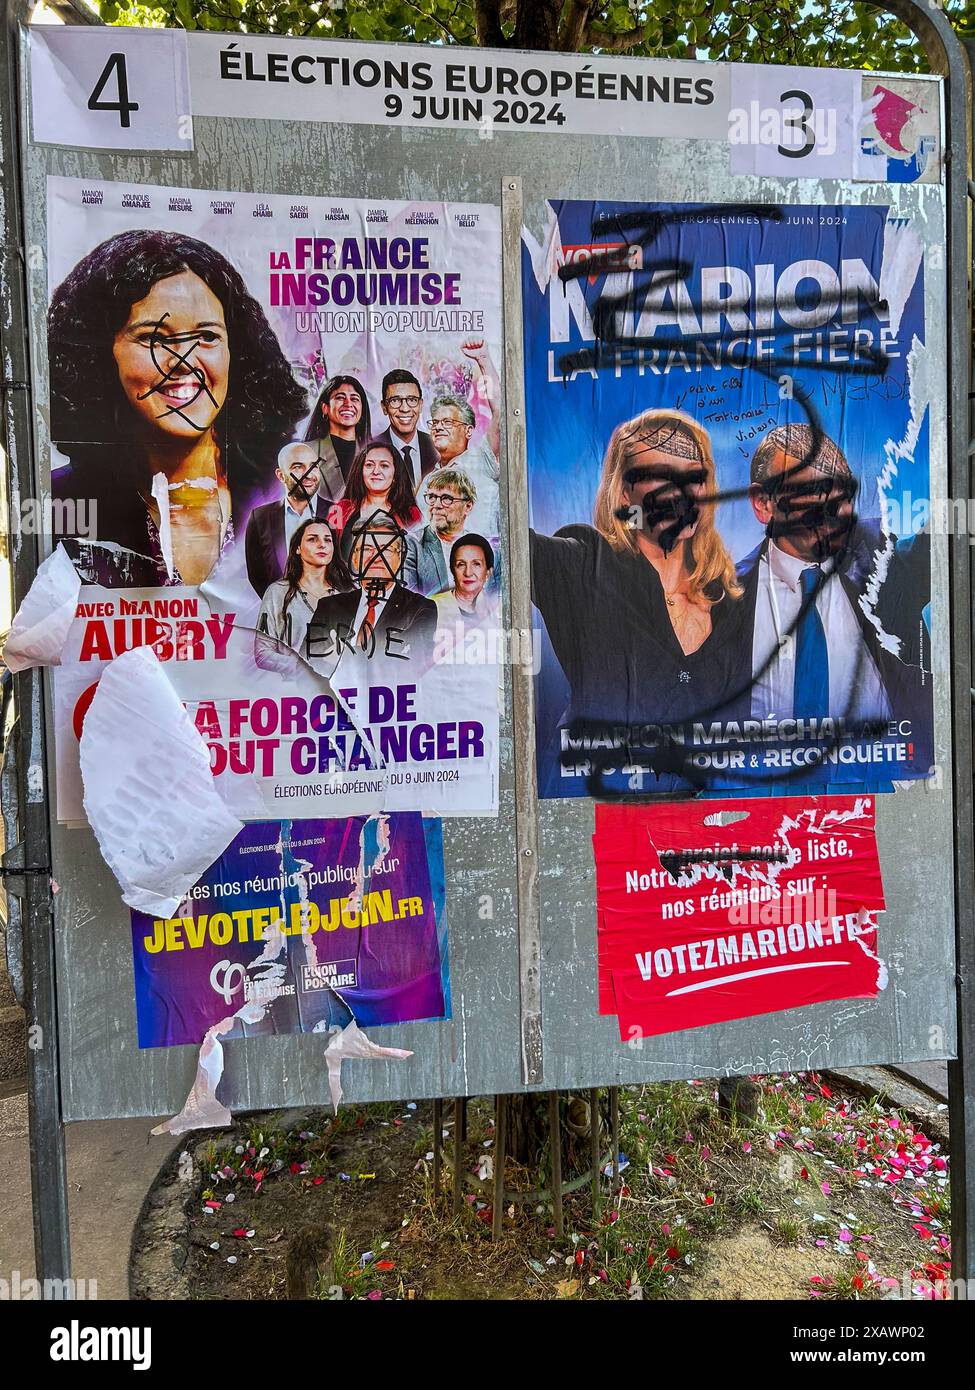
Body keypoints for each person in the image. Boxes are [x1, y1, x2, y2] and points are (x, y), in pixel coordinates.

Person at [48, 229, 307, 586]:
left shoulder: (283, 487)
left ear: (237, 351)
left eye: (207, 336)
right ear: (100, 355)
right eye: (153, 338)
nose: (183, 362)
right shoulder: (62, 503)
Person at [529, 409, 749, 760]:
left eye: (693, 478)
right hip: (597, 802)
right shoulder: (584, 567)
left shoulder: (730, 599)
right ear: (623, 494)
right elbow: (500, 545)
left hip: (708, 804)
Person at [738, 423, 930, 747]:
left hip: (886, 780)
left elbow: (944, 545)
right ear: (763, 504)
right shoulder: (720, 599)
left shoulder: (877, 553)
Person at [306, 512, 437, 675]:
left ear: (401, 558)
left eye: (386, 549)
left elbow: (411, 667)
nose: (377, 557)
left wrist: (341, 657)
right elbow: (308, 664)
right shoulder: (329, 607)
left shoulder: (421, 609)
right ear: (354, 558)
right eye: (367, 549)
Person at [428, 338, 502, 535]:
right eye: (435, 423)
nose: (439, 428)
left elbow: (502, 415)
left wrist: (484, 361)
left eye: (448, 422)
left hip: (481, 560)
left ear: (469, 431)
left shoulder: (481, 459)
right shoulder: (427, 483)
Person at [255, 517, 353, 660]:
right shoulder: (278, 592)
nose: (322, 545)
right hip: (292, 681)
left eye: (328, 540)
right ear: (298, 548)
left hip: (339, 681)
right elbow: (262, 653)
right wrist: (303, 669)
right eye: (313, 539)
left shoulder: (348, 593)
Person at [244, 442, 331, 596]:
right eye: (298, 467)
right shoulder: (259, 518)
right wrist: (280, 605)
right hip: (281, 615)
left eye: (314, 466)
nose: (309, 474)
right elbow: (256, 575)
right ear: (280, 475)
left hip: (330, 614)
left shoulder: (338, 512)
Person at [327, 440, 421, 553]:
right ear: (360, 471)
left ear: (396, 474)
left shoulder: (411, 514)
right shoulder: (341, 509)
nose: (376, 471)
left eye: (384, 466)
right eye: (369, 465)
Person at [403, 468, 477, 596]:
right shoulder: (412, 544)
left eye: (446, 498)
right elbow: (410, 602)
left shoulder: (479, 547)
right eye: (431, 497)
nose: (436, 505)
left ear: (468, 506)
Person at [303, 374, 372, 503]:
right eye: (340, 398)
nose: (348, 404)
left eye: (355, 399)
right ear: (325, 408)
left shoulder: (377, 452)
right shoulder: (306, 451)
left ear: (362, 409)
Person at [376, 369, 439, 487]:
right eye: (395, 400)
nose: (405, 408)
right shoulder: (370, 449)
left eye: (412, 400)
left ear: (420, 405)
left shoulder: (437, 447)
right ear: (384, 407)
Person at [435, 535, 497, 626]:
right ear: (453, 570)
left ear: (488, 572)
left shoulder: (496, 610)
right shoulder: (433, 606)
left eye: (476, 564)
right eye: (461, 564)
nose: (468, 573)